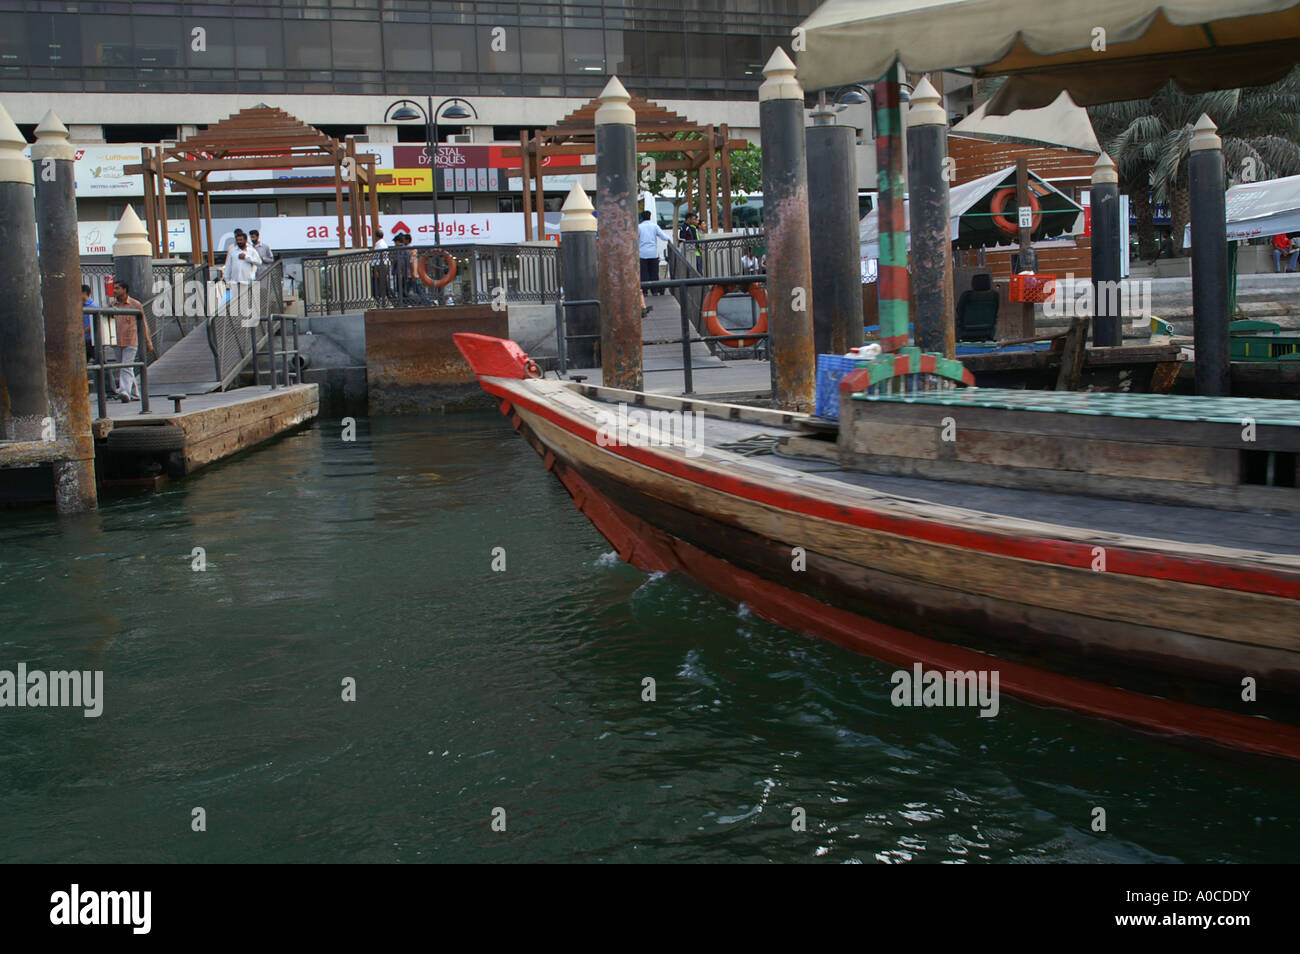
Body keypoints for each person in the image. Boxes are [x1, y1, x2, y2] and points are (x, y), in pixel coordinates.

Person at [111, 282, 154, 403]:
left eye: (117, 288)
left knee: (126, 365)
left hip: (131, 340)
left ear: (125, 290)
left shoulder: (135, 304)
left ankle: (124, 391)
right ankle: (135, 394)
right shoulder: (112, 305)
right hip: (117, 341)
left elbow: (143, 323)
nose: (115, 291)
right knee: (123, 366)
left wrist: (148, 341)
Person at [638, 209, 672, 295]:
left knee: (644, 273)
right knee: (654, 273)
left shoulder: (639, 227)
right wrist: (669, 240)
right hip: (653, 253)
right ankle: (655, 291)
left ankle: (645, 291)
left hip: (642, 254)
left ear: (642, 217)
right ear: (650, 217)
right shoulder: (654, 226)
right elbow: (663, 236)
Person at [81, 284, 97, 364]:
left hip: (92, 340)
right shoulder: (80, 306)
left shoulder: (93, 306)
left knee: (99, 361)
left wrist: (84, 331)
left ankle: (108, 376)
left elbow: (95, 322)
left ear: (84, 293)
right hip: (85, 339)